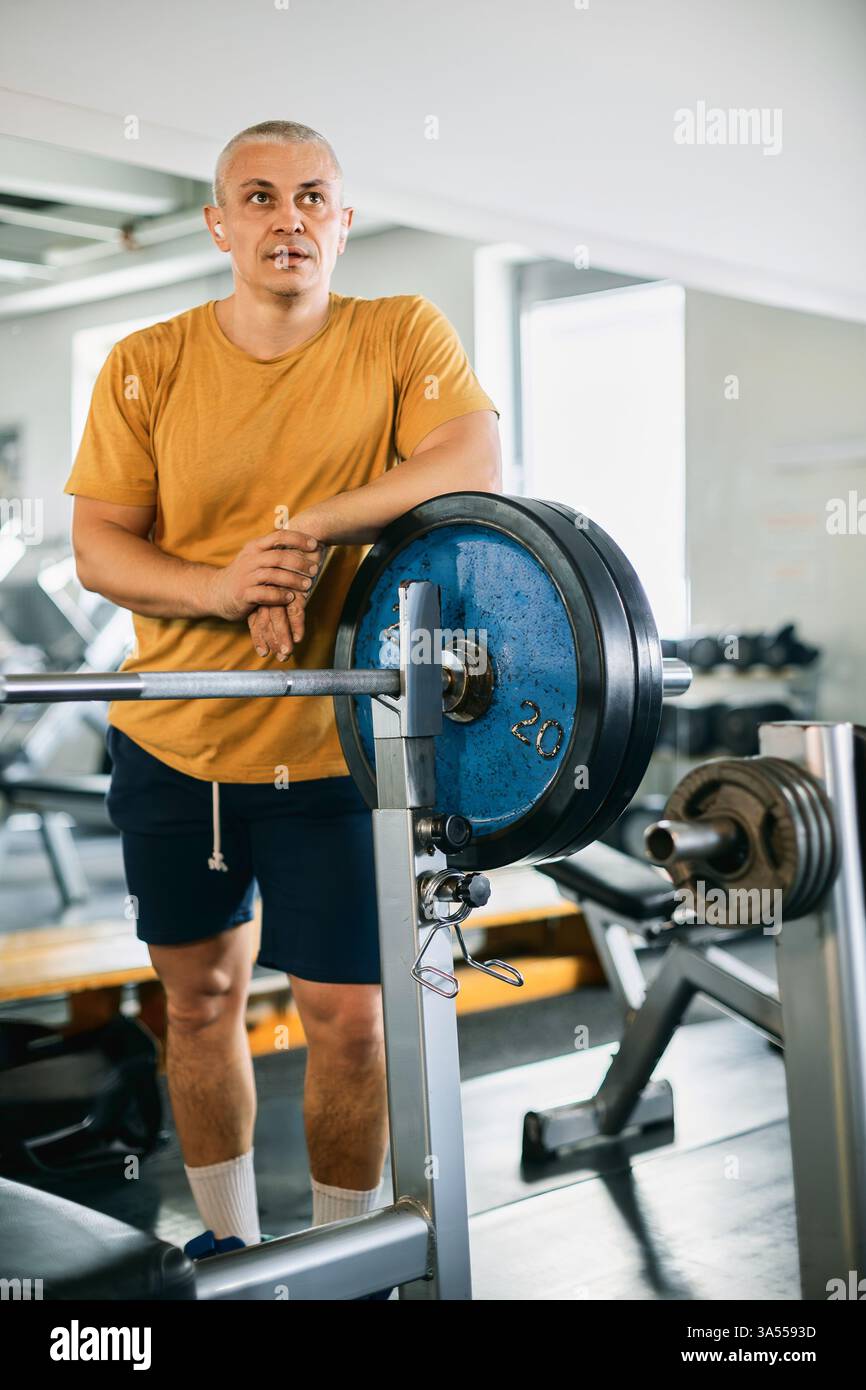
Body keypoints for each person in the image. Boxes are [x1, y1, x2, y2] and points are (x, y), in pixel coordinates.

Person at [65, 119, 501, 1267]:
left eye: (313, 197)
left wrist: (304, 531)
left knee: (350, 1022)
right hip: (177, 741)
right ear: (219, 225)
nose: (287, 218)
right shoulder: (145, 363)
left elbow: (468, 465)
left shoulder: (400, 334)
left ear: (343, 224)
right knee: (200, 1004)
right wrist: (222, 586)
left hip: (338, 746)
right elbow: (100, 550)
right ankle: (227, 1245)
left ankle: (343, 1259)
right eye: (257, 197)